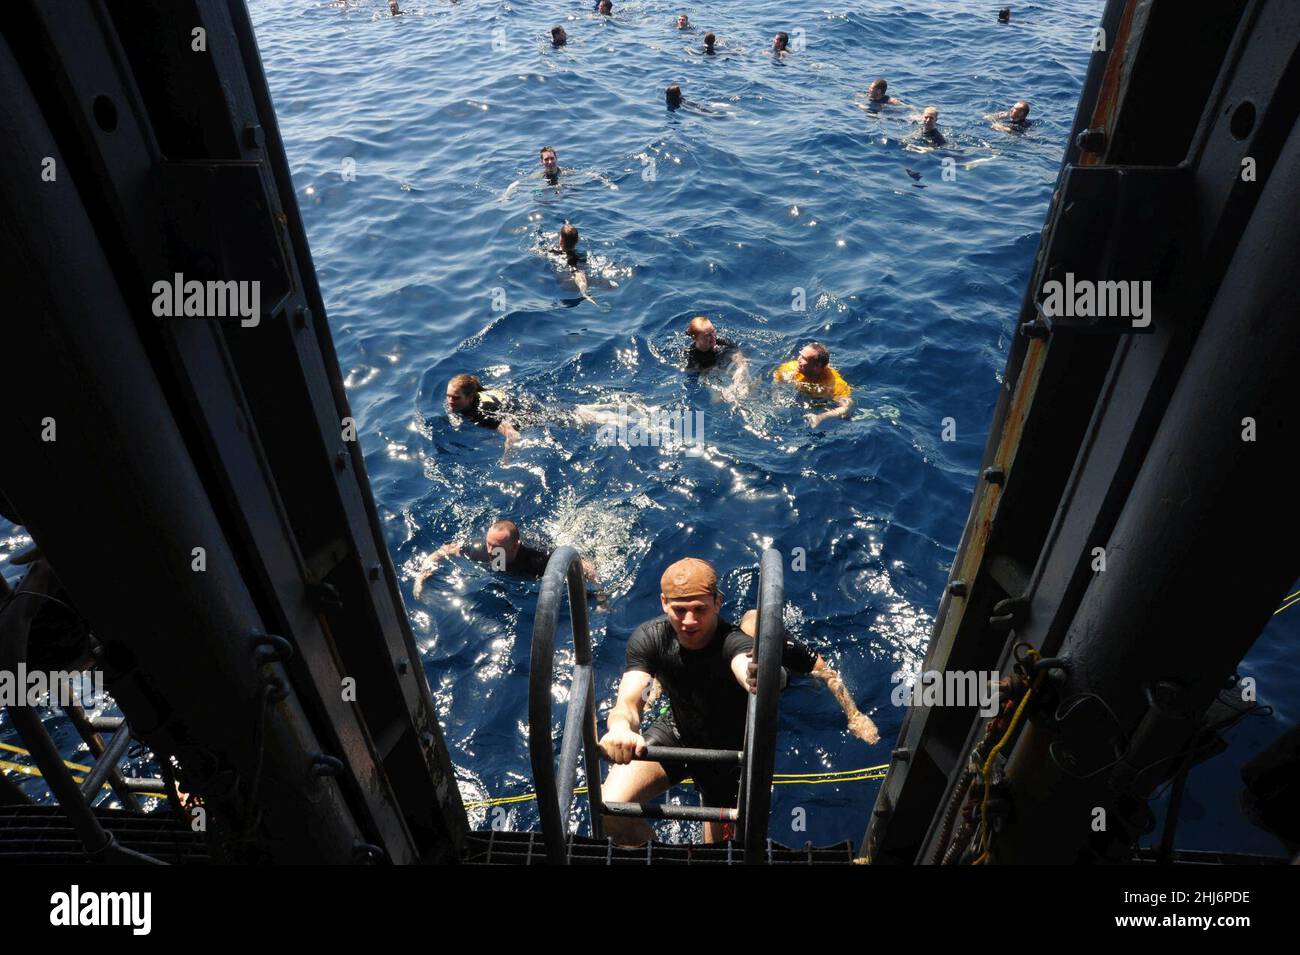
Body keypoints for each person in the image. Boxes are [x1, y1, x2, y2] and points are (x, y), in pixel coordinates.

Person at [598, 558, 822, 845]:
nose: (689, 621)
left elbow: (744, 665)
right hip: (677, 733)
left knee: (719, 855)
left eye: (700, 609)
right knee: (608, 810)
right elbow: (628, 703)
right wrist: (620, 729)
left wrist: (761, 676)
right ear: (664, 602)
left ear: (718, 602)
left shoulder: (734, 642)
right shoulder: (649, 638)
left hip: (727, 756)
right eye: (680, 610)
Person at [737, 611, 879, 744]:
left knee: (813, 678)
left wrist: (854, 715)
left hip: (783, 655)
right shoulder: (742, 643)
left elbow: (830, 676)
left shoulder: (794, 650)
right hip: (751, 636)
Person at [414, 519, 595, 597]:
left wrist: (600, 596)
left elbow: (584, 566)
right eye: (488, 544)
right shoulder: (479, 550)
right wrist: (421, 577)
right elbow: (443, 551)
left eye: (497, 547)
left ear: (515, 546)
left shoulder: (537, 560)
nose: (491, 551)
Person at [772, 342, 853, 427]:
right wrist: (777, 400)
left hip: (826, 403)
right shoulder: (789, 368)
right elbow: (777, 382)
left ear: (817, 366)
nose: (798, 360)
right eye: (800, 355)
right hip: (803, 397)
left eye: (804, 358)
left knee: (845, 417)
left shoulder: (834, 383)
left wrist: (820, 418)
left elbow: (846, 407)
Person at [445, 373, 522, 460]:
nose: (450, 401)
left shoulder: (482, 413)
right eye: (448, 396)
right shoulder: (473, 394)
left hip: (519, 412)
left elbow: (513, 435)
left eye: (456, 398)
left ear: (470, 398)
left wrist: (506, 459)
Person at [684, 316, 747, 385]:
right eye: (707, 335)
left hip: (725, 366)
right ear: (695, 338)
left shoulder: (723, 342)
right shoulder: (693, 357)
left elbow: (738, 355)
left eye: (713, 331)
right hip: (710, 373)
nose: (713, 336)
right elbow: (695, 373)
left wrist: (740, 372)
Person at [550, 222, 593, 300]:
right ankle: (583, 292)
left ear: (561, 241)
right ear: (578, 240)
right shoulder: (581, 256)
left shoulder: (552, 251)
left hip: (562, 287)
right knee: (577, 272)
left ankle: (584, 292)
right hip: (574, 281)